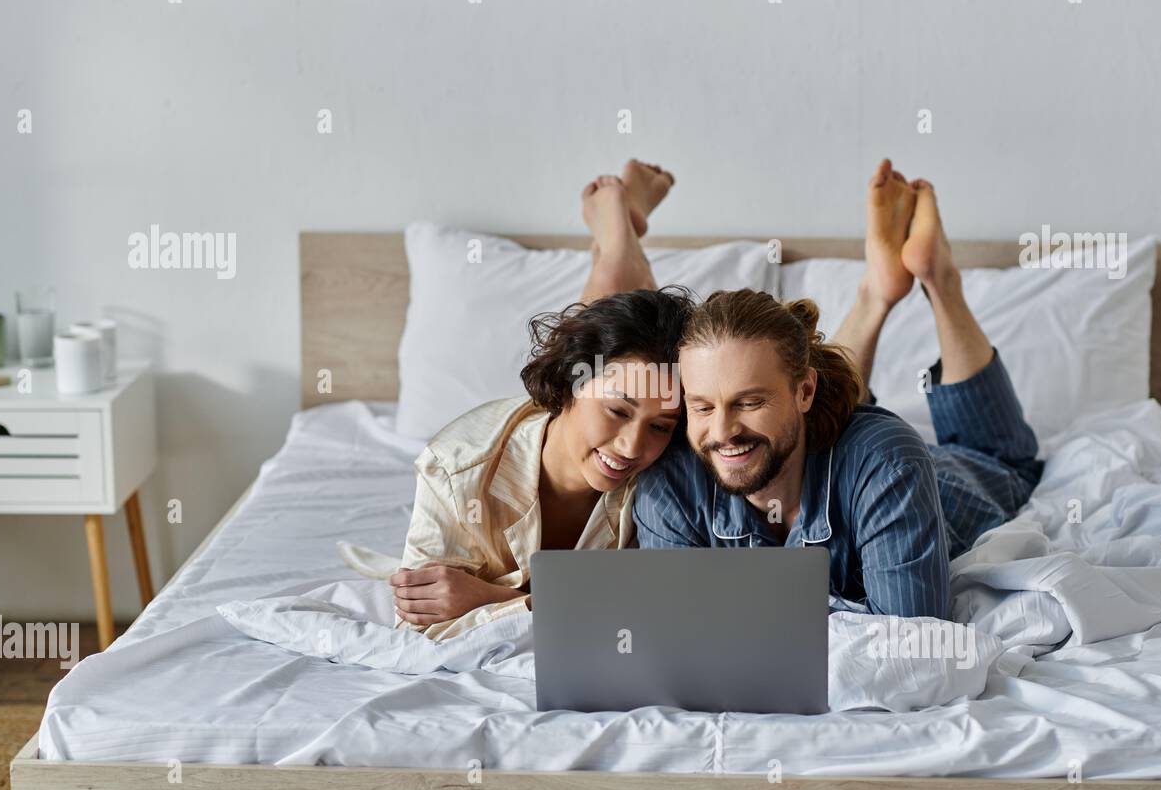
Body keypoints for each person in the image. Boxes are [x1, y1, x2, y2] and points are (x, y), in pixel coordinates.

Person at [632, 159, 1045, 619]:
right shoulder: (669, 481)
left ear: (805, 392)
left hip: (943, 476)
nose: (722, 431)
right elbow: (670, 631)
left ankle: (940, 279)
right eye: (702, 406)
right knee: (825, 406)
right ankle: (876, 293)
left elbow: (909, 639)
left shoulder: (888, 464)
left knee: (1006, 461)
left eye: (749, 402)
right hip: (817, 434)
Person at [385, 160, 687, 639]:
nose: (632, 448)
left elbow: (663, 606)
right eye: (617, 413)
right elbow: (421, 623)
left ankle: (616, 240)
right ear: (567, 386)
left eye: (661, 425)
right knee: (619, 343)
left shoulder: (670, 469)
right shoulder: (456, 471)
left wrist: (495, 598)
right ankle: (617, 237)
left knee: (640, 344)